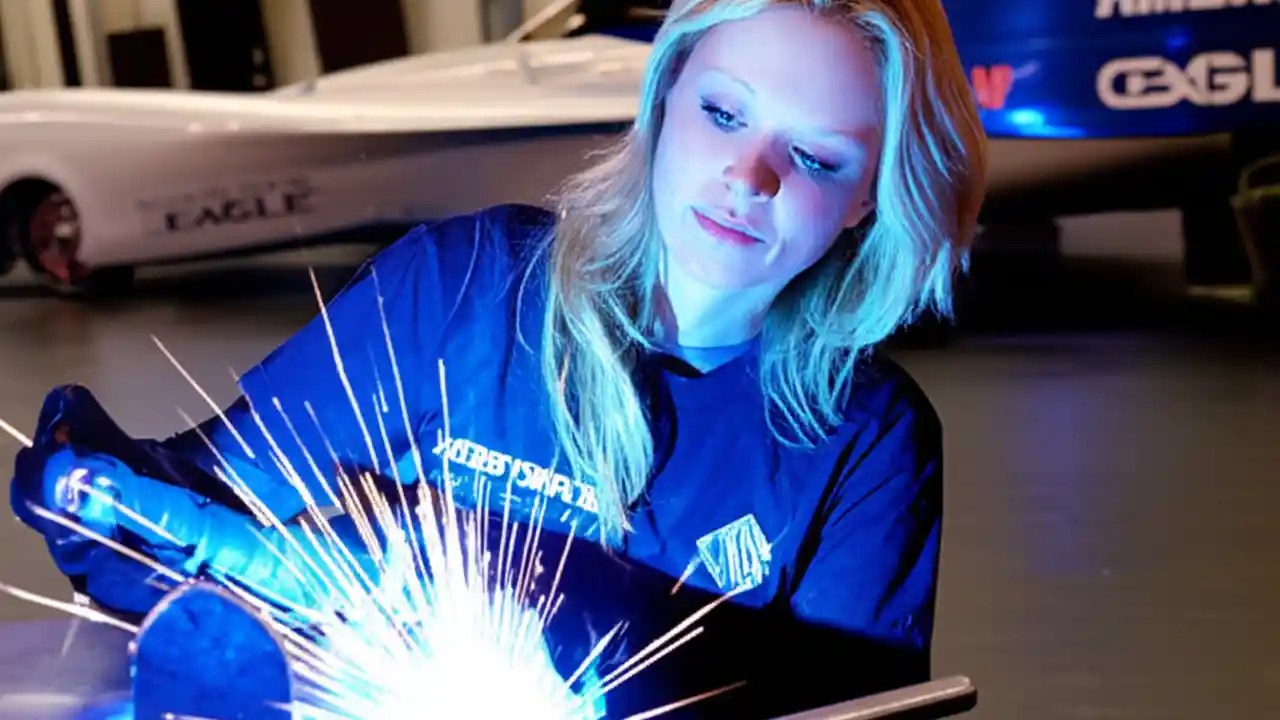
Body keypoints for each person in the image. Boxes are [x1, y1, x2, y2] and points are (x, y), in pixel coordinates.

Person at [10, 1, 986, 717]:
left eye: (814, 158)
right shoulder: (463, 288)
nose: (749, 177)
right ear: (664, 96)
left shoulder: (868, 446)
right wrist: (110, 502)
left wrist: (523, 588)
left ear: (869, 195)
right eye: (724, 114)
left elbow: (847, 706)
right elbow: (220, 508)